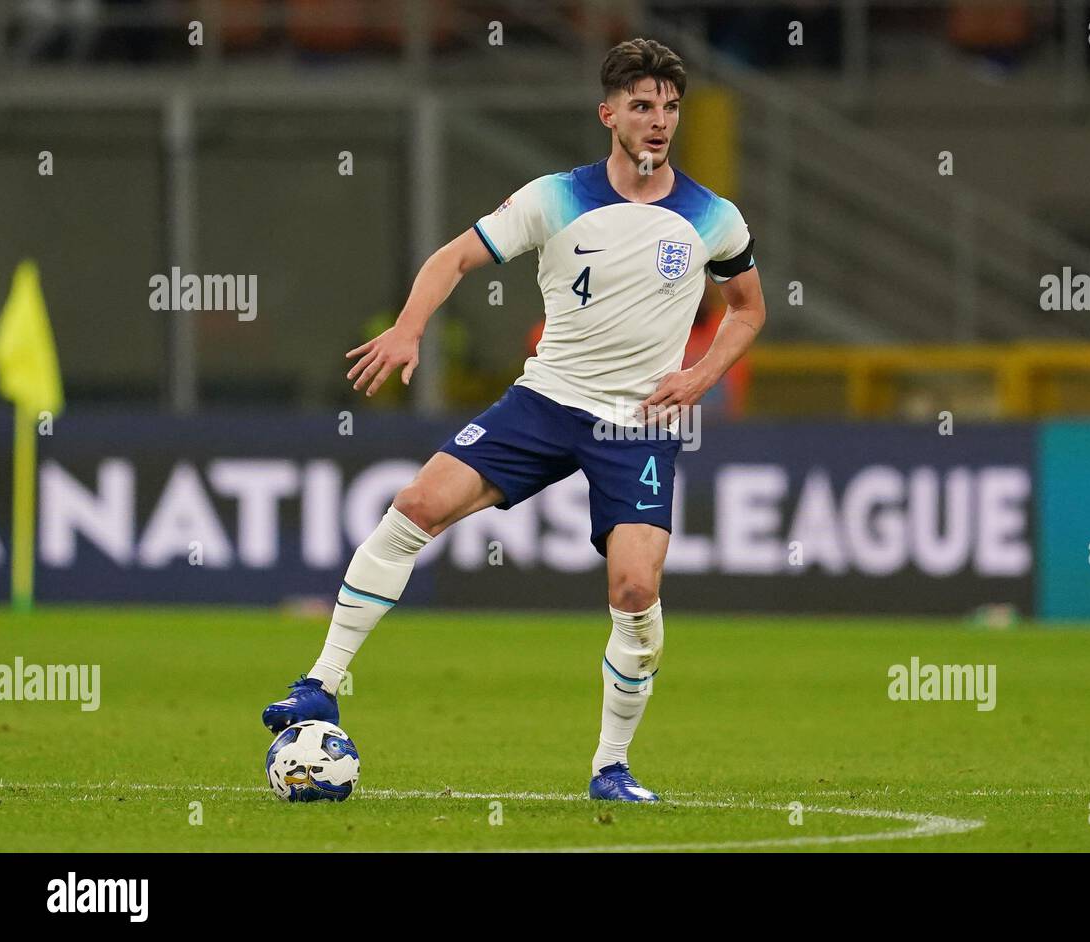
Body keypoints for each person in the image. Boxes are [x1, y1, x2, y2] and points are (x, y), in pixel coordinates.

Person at [261, 38, 766, 802]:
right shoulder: (554, 197)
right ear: (609, 114)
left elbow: (748, 309)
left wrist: (700, 376)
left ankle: (611, 768)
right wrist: (407, 328)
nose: (658, 122)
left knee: (634, 590)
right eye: (641, 107)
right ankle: (320, 683)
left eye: (669, 107)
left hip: (637, 424)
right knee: (415, 507)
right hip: (546, 401)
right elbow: (452, 260)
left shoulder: (713, 217)